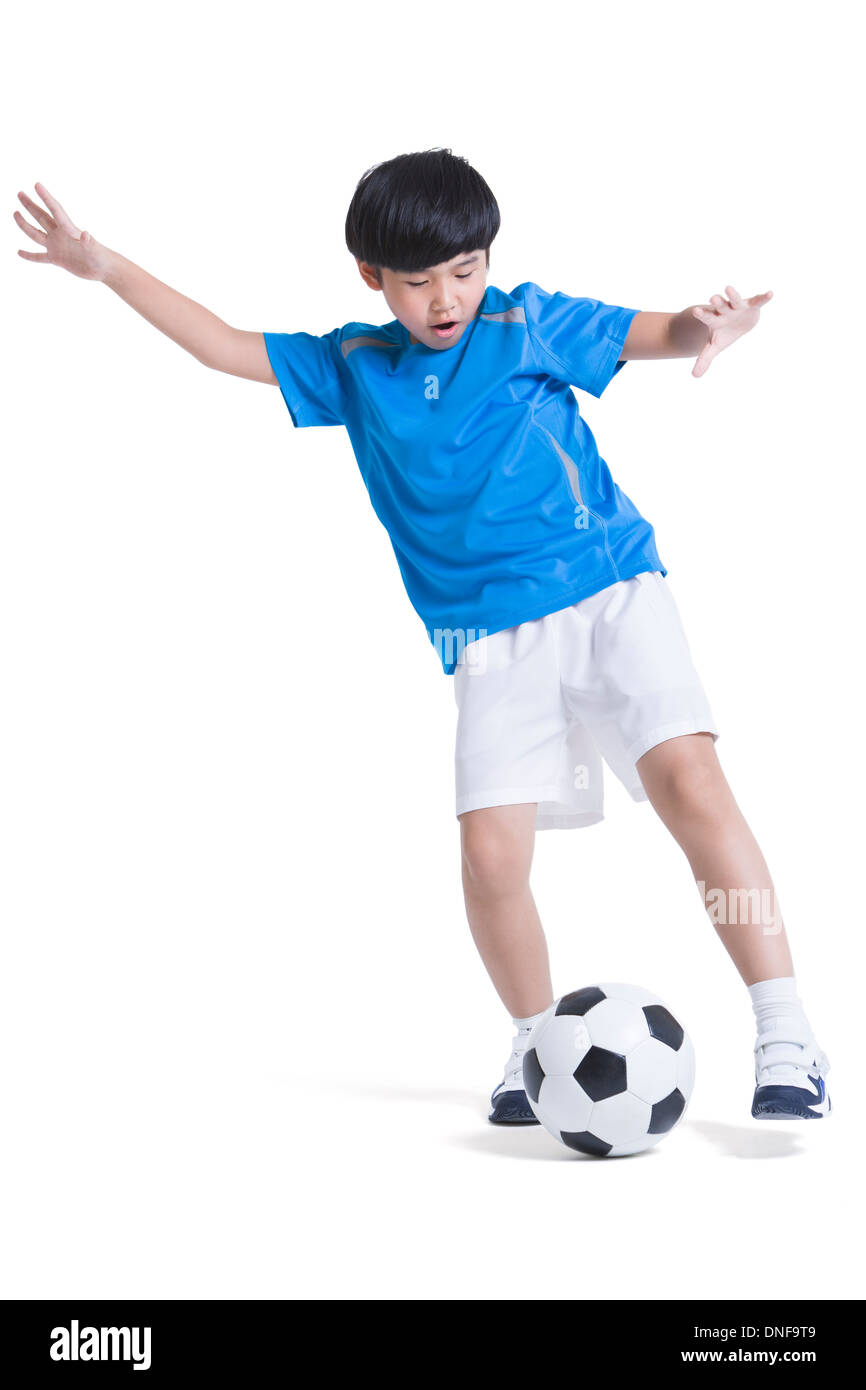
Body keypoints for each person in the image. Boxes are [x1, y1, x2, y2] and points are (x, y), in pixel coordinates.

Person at [14, 149, 831, 1127]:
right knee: (490, 859)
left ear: (488, 260)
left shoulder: (524, 318)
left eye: (464, 269)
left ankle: (784, 1028)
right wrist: (101, 263)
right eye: (418, 280)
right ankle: (534, 1039)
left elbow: (653, 330)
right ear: (372, 278)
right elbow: (223, 346)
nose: (446, 298)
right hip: (487, 635)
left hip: (609, 586)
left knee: (689, 785)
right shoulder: (355, 366)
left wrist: (707, 326)